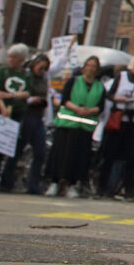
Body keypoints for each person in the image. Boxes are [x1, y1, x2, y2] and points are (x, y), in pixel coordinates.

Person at [44, 57, 106, 198]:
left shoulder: (99, 86)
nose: (90, 68)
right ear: (84, 67)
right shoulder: (74, 81)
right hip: (67, 125)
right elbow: (65, 99)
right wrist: (77, 108)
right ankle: (54, 182)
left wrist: (89, 111)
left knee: (79, 157)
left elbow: (101, 106)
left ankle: (72, 184)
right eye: (88, 65)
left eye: (93, 66)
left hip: (84, 127)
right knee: (60, 154)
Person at [99, 54, 134, 199]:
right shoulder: (121, 76)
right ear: (131, 64)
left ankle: (128, 189)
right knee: (110, 155)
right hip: (118, 119)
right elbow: (109, 95)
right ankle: (102, 187)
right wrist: (119, 99)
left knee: (131, 157)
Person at [0, 53, 51, 194]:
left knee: (40, 152)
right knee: (17, 149)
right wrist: (30, 99)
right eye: (41, 66)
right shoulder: (26, 77)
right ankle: (6, 181)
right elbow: (20, 93)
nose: (42, 69)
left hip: (38, 116)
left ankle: (33, 185)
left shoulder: (44, 79)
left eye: (45, 67)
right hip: (26, 114)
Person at [0, 44, 32, 190]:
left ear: (21, 59)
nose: (11, 59)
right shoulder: (2, 71)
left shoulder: (26, 75)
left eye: (14, 57)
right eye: (10, 56)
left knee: (2, 145)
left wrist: (11, 95)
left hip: (15, 111)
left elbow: (27, 93)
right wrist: (3, 108)